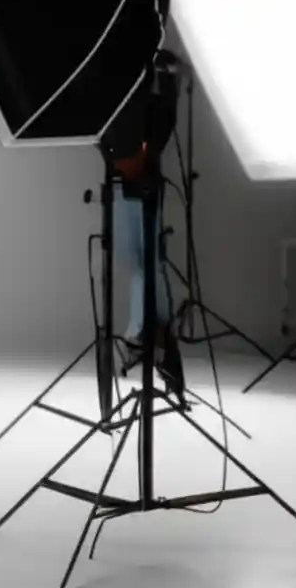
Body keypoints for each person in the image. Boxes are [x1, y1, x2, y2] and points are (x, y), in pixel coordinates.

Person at [100, 51, 181, 380]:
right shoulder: (116, 104)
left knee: (146, 265)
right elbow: (104, 141)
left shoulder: (145, 104)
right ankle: (154, 339)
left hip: (142, 186)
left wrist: (168, 78)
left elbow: (163, 124)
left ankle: (145, 336)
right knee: (141, 265)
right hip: (122, 186)